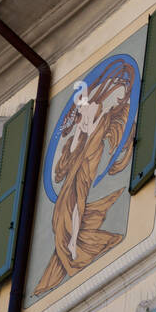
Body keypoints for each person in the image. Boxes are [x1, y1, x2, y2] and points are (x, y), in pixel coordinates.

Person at [33, 58, 134, 296]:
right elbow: (72, 148)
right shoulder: (85, 117)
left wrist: (81, 131)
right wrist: (75, 131)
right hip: (79, 162)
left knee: (76, 202)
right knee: (62, 211)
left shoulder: (99, 114)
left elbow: (93, 133)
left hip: (88, 161)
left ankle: (72, 242)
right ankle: (70, 242)